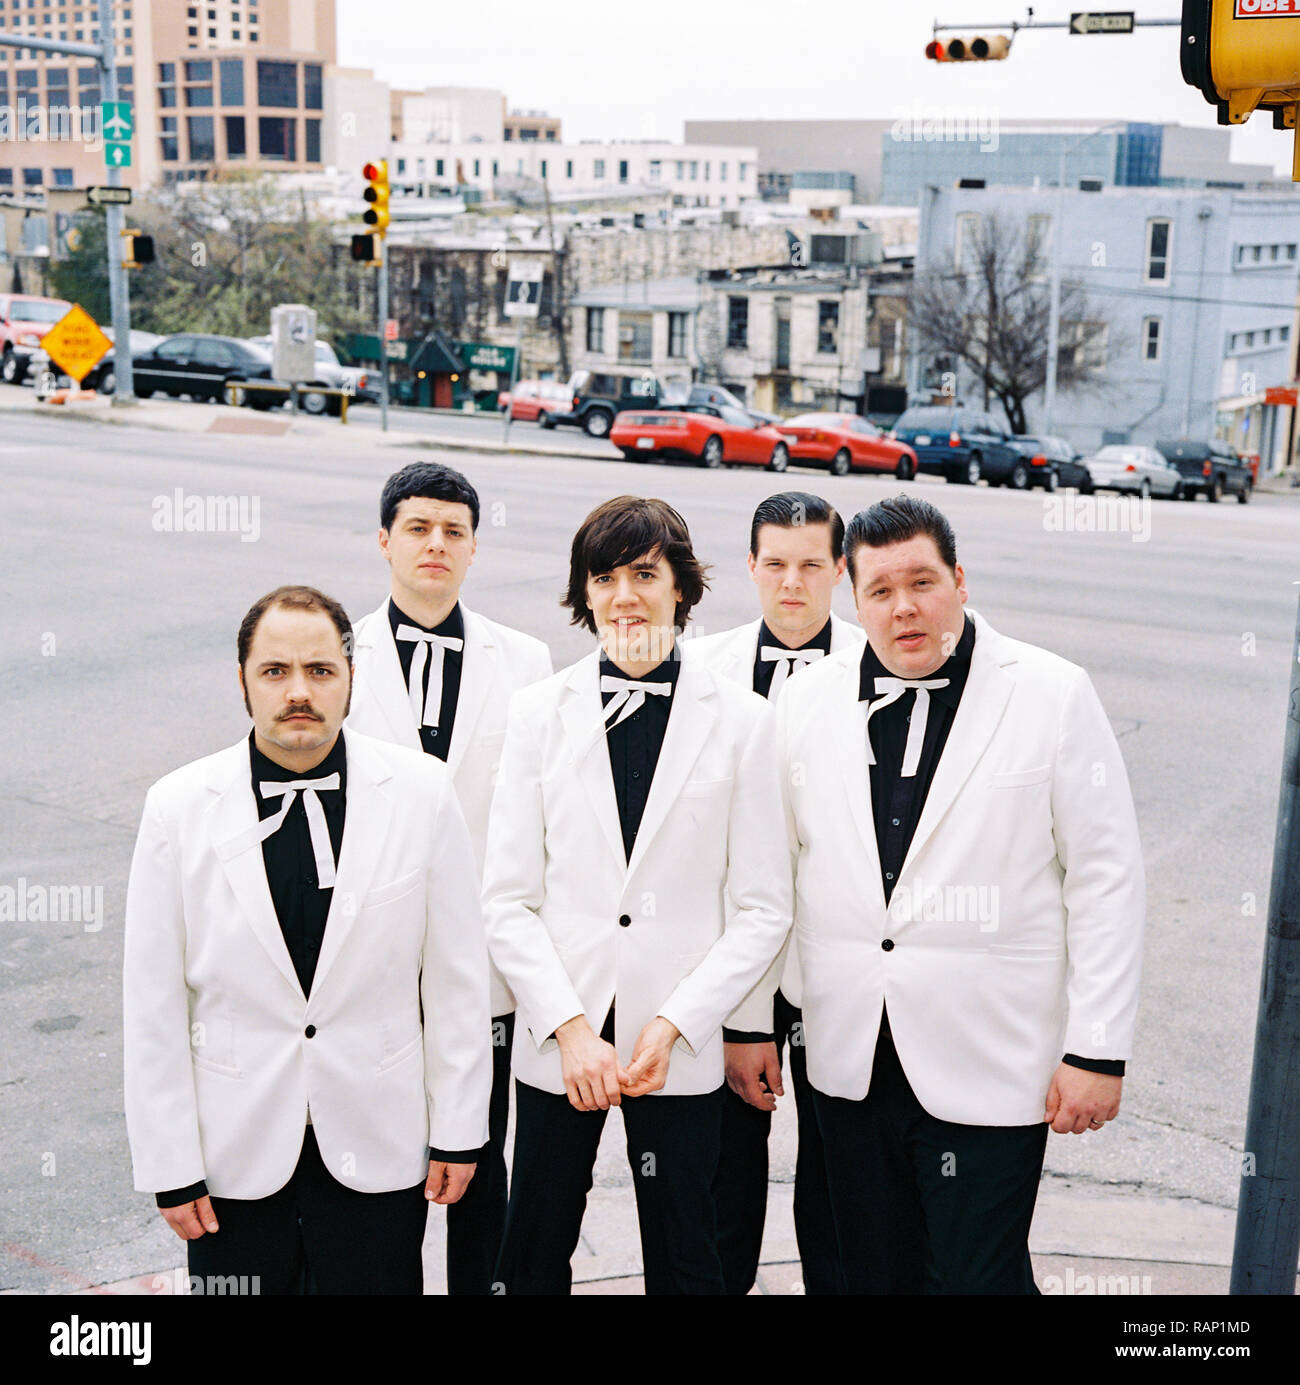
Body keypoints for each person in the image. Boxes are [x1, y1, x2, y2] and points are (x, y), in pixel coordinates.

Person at [775, 494, 1144, 1294]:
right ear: (854, 594)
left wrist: (1098, 1048)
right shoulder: (806, 699)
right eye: (879, 589)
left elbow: (1107, 877)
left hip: (992, 1059)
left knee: (979, 1278)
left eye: (923, 581)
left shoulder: (1051, 692)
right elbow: (780, 870)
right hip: (849, 1058)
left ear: (960, 579)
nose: (904, 606)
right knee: (870, 1276)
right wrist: (750, 1026)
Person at [123, 585, 492, 1294]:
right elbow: (153, 1005)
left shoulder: (422, 793)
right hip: (233, 1157)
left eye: (321, 670)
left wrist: (457, 1127)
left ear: (351, 679)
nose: (299, 691)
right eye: (275, 671)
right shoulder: (177, 808)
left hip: (379, 1143)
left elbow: (455, 978)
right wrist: (171, 1166)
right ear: (243, 682)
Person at [482, 496, 793, 1294]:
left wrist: (677, 1019)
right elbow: (508, 900)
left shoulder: (746, 723)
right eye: (606, 576)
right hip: (564, 1036)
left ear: (681, 589)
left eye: (645, 574)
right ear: (584, 594)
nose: (625, 594)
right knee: (532, 1247)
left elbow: (762, 908)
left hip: (677, 1043)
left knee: (689, 1254)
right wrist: (571, 1028)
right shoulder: (536, 715)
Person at [347, 462, 552, 1295]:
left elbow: (542, 816)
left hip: (484, 965)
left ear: (473, 548)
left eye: (454, 531)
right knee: (382, 1163)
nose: (436, 543)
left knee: (480, 1156)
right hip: (371, 961)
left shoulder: (527, 659)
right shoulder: (336, 654)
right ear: (386, 540)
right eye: (420, 527)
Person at [684, 491, 862, 1296]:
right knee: (726, 1174)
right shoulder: (700, 669)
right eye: (776, 564)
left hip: (838, 965)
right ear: (751, 566)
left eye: (812, 565)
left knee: (839, 1180)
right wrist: (738, 1013)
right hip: (734, 961)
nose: (793, 582)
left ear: (840, 571)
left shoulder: (877, 662)